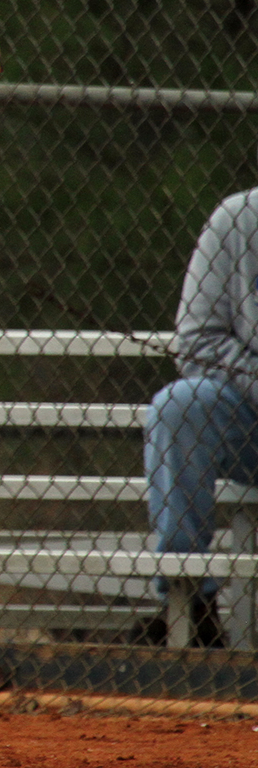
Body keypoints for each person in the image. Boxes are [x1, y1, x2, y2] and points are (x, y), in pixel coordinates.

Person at [140, 188, 258, 647]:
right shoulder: (239, 217)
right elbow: (197, 340)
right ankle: (188, 602)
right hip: (251, 417)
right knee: (180, 405)